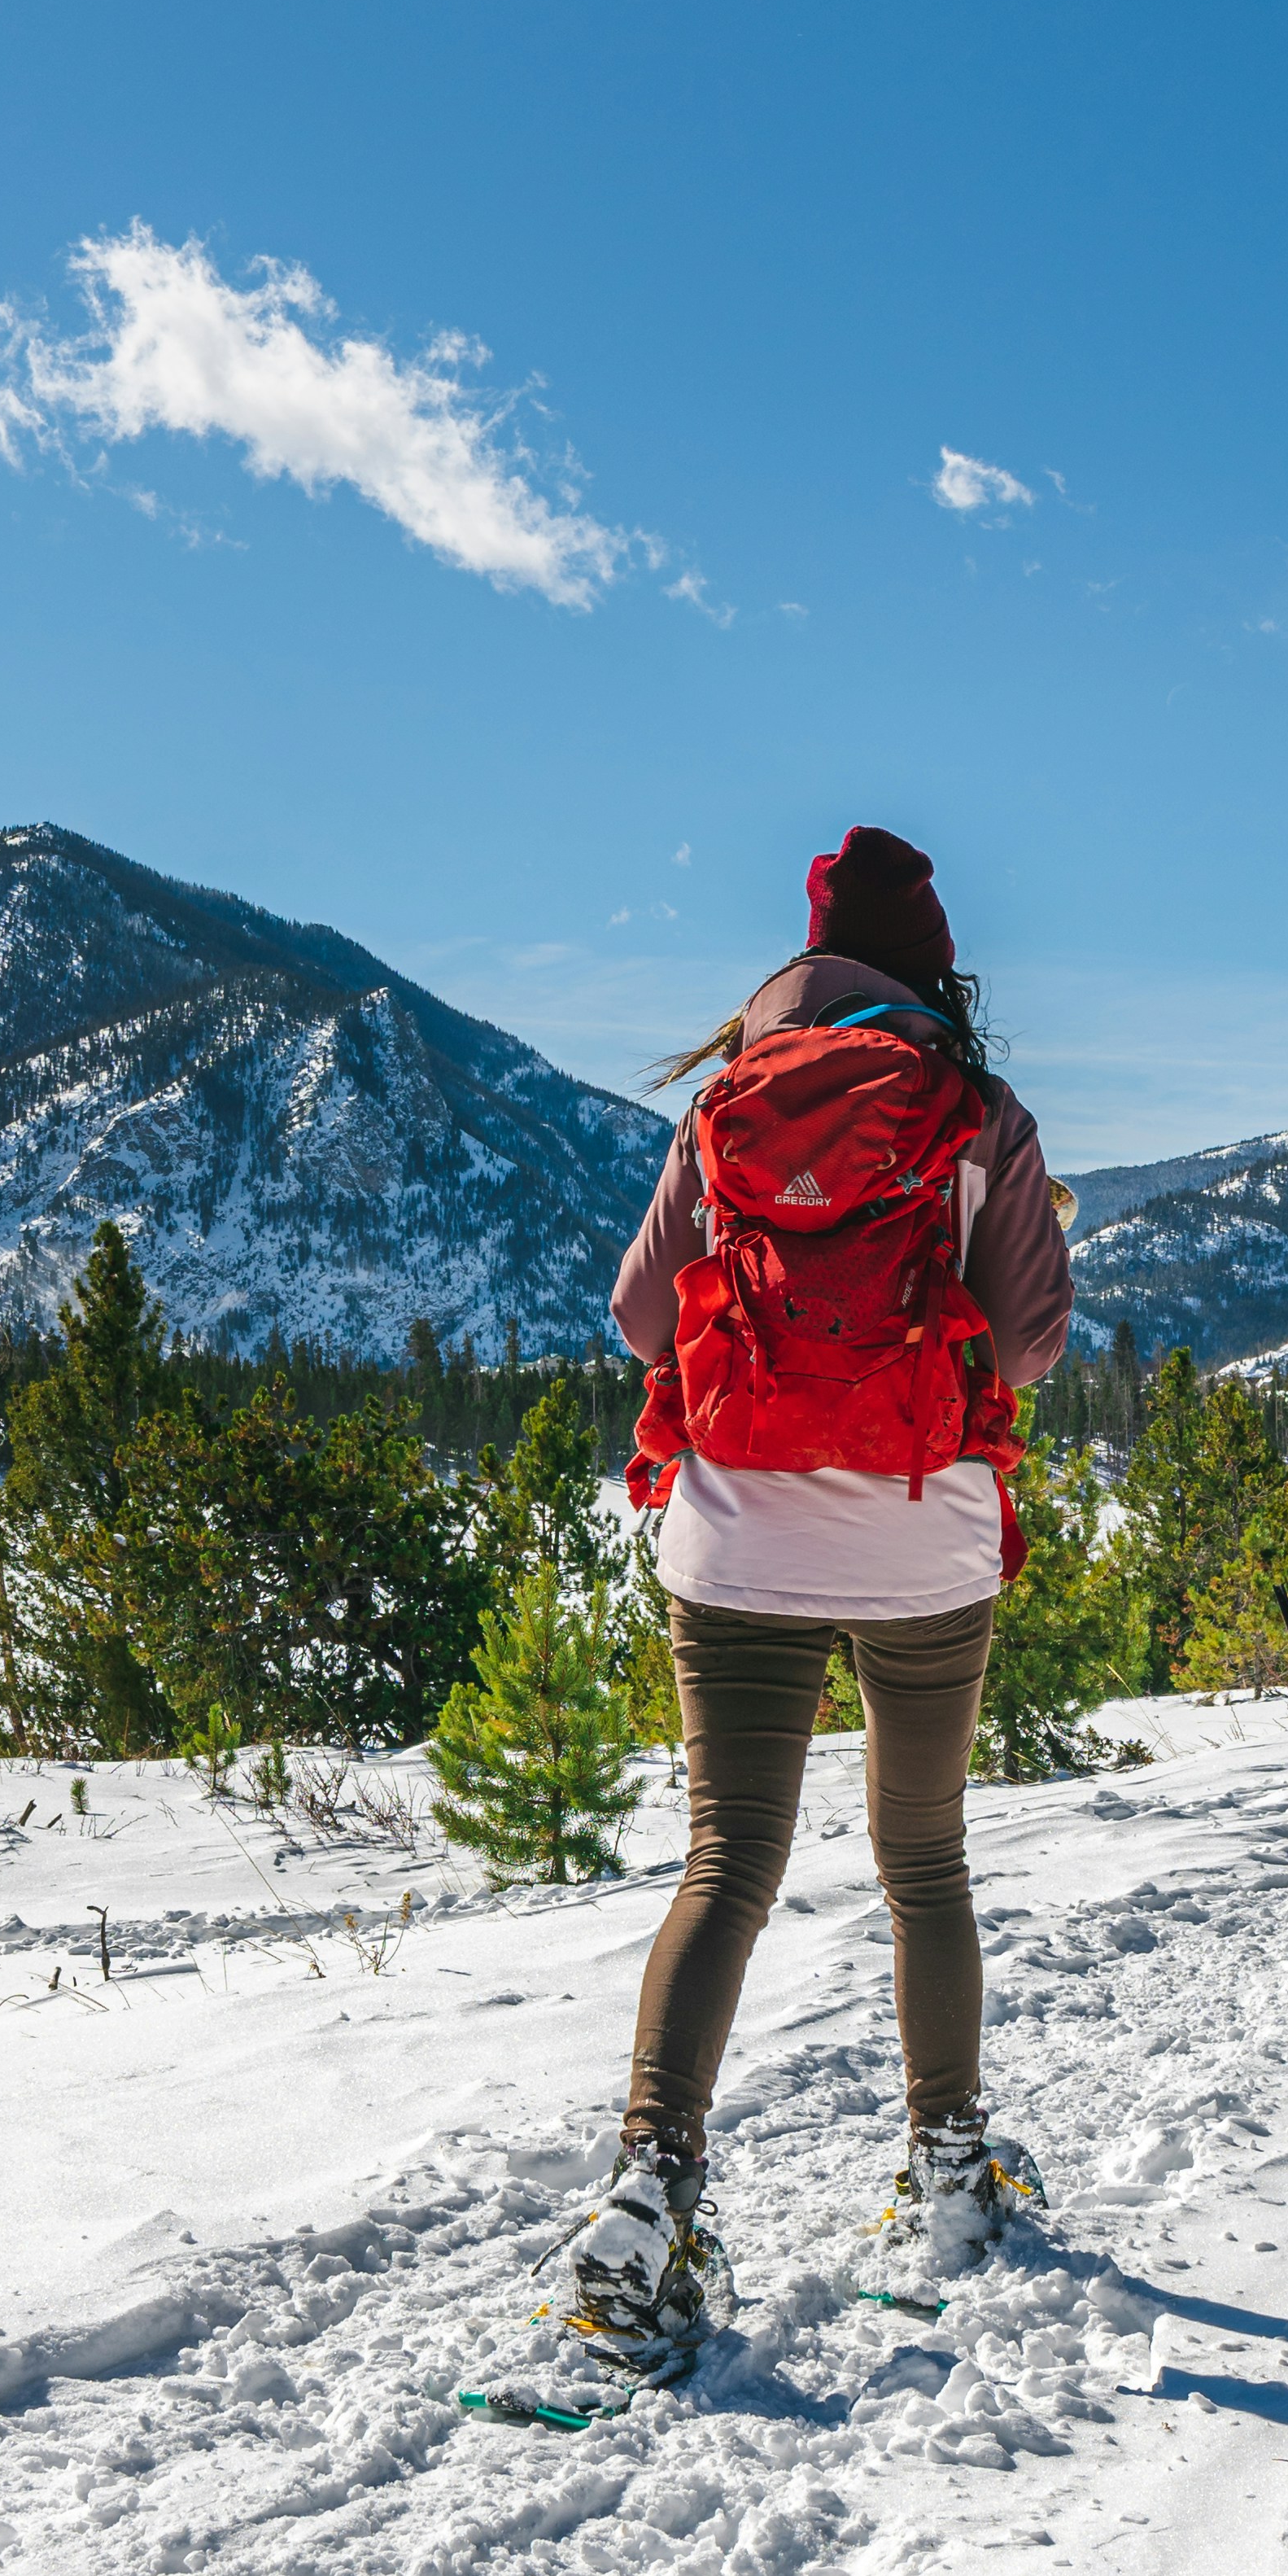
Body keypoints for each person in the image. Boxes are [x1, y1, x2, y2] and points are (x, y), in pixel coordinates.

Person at [552, 823, 1076, 2378]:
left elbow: (641, 1316)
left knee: (728, 1863)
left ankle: (650, 2191)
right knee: (924, 1859)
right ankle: (949, 2165)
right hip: (924, 1540)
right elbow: (1031, 1345)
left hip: (735, 1542)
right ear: (931, 965)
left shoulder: (726, 1103)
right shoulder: (975, 1113)